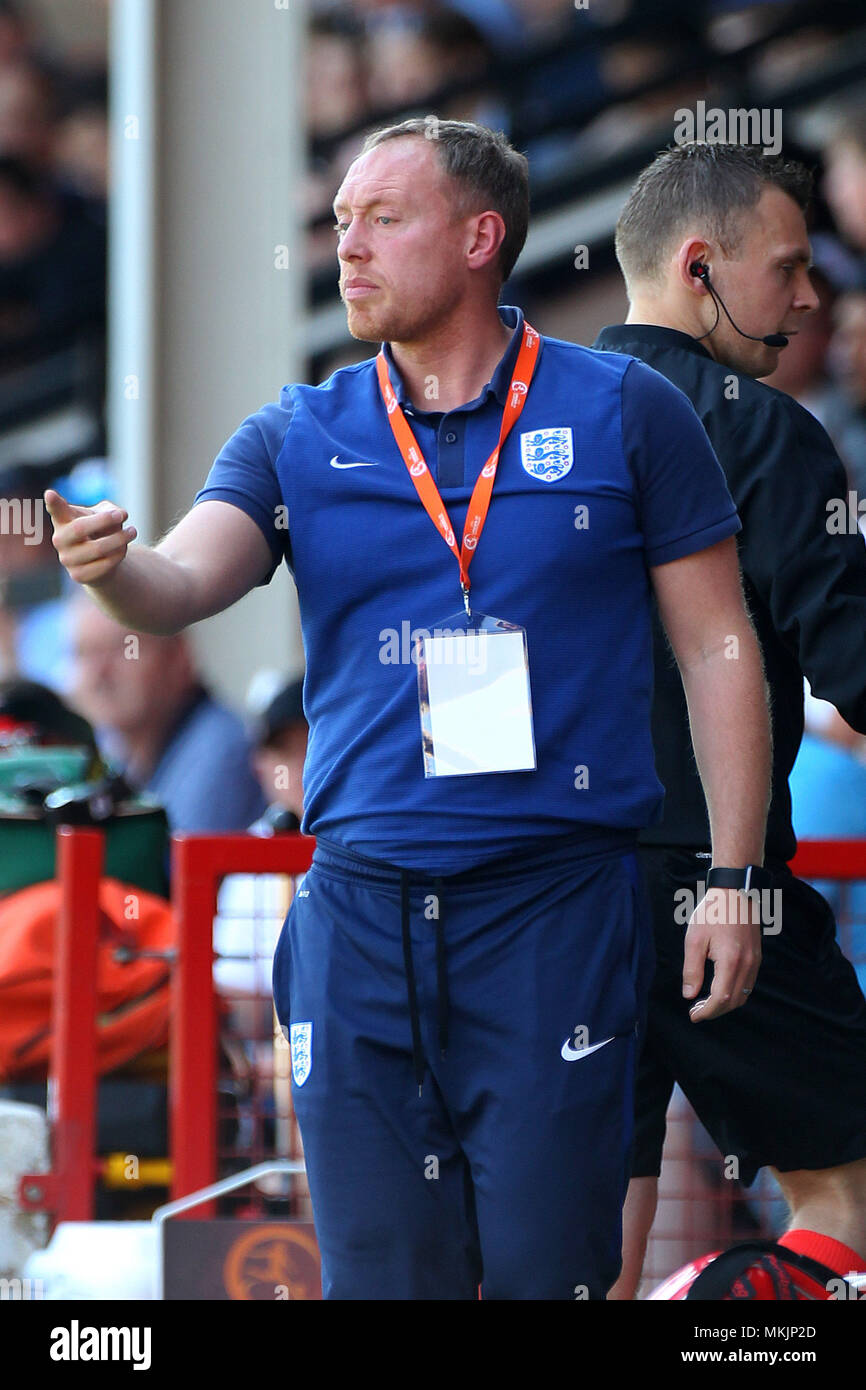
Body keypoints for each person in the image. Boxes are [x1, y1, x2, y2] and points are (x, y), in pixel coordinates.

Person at [45, 119, 771, 1300]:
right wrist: (110, 569)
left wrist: (733, 878)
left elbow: (718, 644)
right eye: (339, 223)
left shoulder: (625, 412)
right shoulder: (297, 432)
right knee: (383, 1285)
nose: (347, 249)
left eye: (384, 219)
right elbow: (176, 586)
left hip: (551, 910)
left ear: (481, 237)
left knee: (550, 1277)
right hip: (359, 914)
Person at [593, 141, 866, 1299]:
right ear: (699, 267)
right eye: (789, 267)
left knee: (588, 1245)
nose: (810, 297)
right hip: (714, 892)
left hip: (538, 897)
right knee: (849, 1193)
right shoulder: (764, 430)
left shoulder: (522, 426)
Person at [69, 596, 266, 834]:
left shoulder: (222, 749)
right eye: (84, 653)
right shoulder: (108, 743)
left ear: (178, 656)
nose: (99, 673)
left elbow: (165, 867)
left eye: (122, 648)